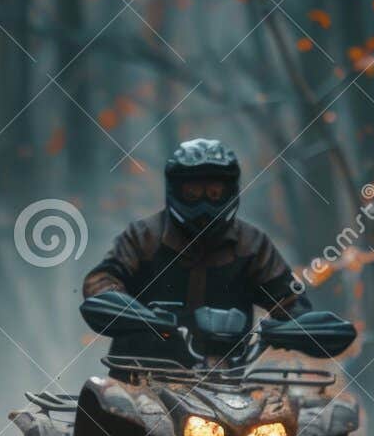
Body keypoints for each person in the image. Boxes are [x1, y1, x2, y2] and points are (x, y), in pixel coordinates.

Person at [83, 138, 309, 323]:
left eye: (213, 193)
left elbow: (290, 301)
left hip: (231, 374)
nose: (203, 205)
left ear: (230, 192)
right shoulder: (143, 237)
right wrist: (124, 307)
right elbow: (103, 279)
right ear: (176, 191)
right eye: (192, 193)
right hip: (138, 370)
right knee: (99, 382)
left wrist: (304, 325)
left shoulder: (252, 244)